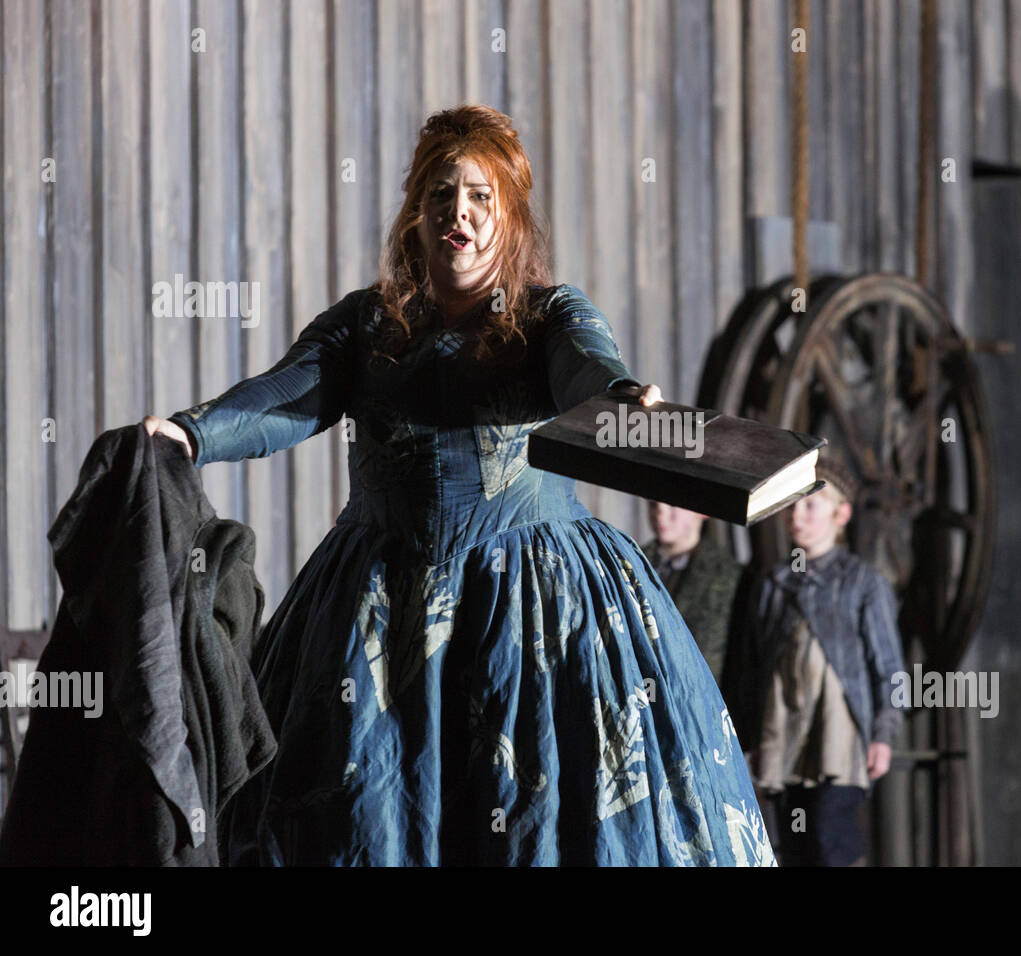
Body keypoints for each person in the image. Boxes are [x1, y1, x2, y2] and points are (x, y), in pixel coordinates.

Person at [142, 105, 775, 866]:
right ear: (415, 214)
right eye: (441, 196)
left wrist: (624, 397)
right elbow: (285, 398)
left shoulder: (550, 317)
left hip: (537, 600)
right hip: (378, 605)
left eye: (481, 198)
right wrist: (191, 432)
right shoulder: (367, 326)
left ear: (509, 218)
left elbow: (589, 370)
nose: (459, 215)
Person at [738, 455, 906, 866]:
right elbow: (753, 667)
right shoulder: (773, 584)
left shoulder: (863, 583)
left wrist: (883, 733)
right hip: (786, 737)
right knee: (791, 844)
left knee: (832, 837)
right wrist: (751, 738)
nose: (799, 514)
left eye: (811, 503)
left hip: (838, 742)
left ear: (840, 513)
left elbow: (888, 669)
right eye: (793, 503)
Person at [641, 502, 749, 706]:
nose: (660, 513)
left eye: (673, 504)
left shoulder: (731, 577)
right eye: (654, 504)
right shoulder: (628, 563)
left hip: (699, 710)